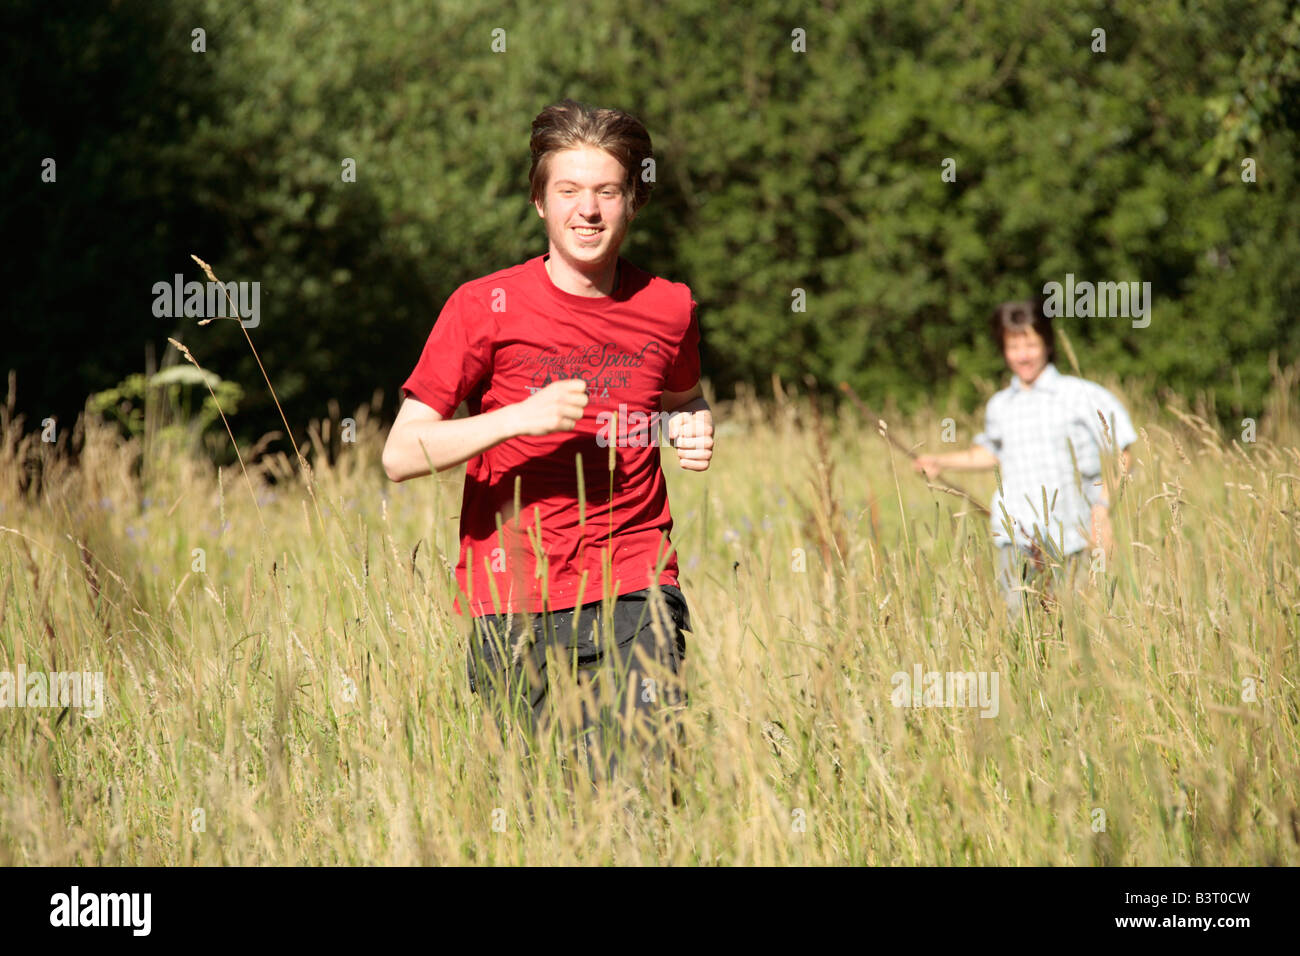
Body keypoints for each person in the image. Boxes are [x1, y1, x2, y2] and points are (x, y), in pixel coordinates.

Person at [382, 99, 713, 789]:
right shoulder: (482, 307)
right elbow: (400, 455)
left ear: (633, 202)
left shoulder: (670, 306)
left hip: (635, 580)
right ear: (540, 201)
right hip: (513, 593)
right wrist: (514, 419)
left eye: (606, 192)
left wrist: (689, 423)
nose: (587, 211)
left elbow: (683, 399)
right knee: (542, 801)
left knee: (639, 788)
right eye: (568, 191)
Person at [913, 298, 1135, 614]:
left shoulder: (1079, 394)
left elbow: (1122, 445)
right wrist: (940, 461)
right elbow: (990, 453)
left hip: (1073, 531)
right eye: (1013, 346)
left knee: (1073, 621)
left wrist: (1103, 507)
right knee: (1019, 619)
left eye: (1030, 344)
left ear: (1047, 343)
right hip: (1015, 533)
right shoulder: (1000, 405)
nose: (1023, 355)